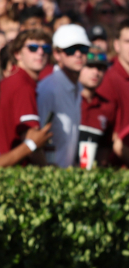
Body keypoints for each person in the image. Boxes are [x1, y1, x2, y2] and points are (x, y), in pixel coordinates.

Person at [37, 23, 89, 168]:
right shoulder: (48, 89)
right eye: (71, 50)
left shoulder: (78, 88)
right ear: (56, 54)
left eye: (83, 49)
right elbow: (35, 141)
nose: (78, 54)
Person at [0, 29, 54, 167]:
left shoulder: (13, 81)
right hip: (10, 175)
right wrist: (48, 172)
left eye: (45, 48)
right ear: (17, 54)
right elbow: (32, 143)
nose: (40, 52)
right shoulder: (22, 85)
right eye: (33, 48)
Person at [78, 45, 115, 169]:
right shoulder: (67, 99)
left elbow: (104, 150)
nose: (95, 72)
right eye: (89, 66)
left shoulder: (107, 107)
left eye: (100, 68)